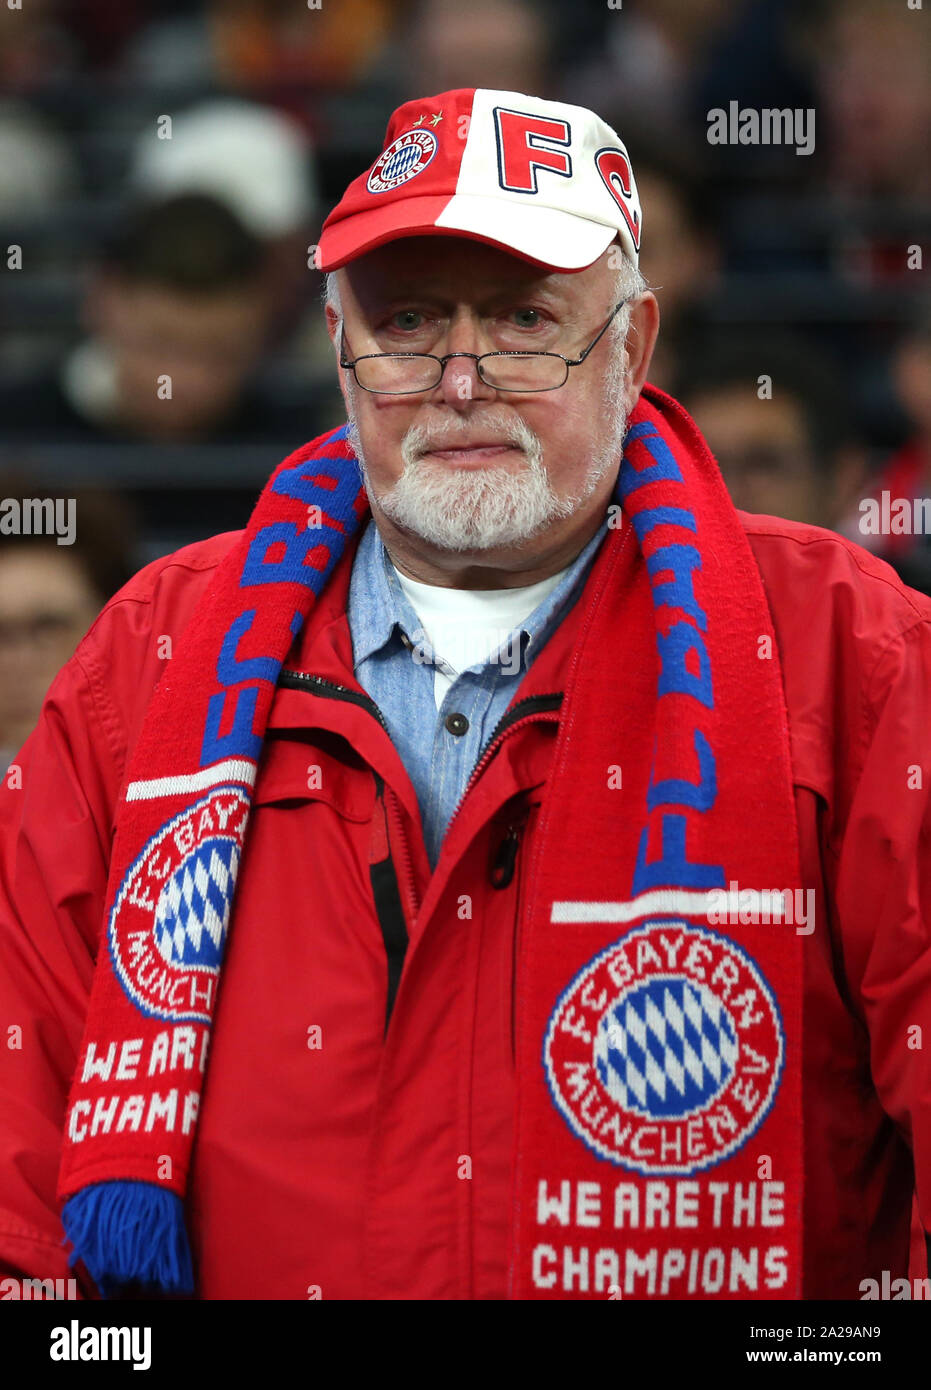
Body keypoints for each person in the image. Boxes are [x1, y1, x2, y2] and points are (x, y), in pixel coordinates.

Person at [0, 87, 929, 1302]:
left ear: (636, 347)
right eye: (409, 322)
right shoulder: (150, 652)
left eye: (525, 320)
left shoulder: (856, 654)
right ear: (339, 351)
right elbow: (21, 1174)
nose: (457, 379)